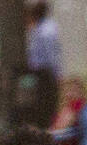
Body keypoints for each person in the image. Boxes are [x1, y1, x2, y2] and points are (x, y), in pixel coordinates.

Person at [24, 2, 61, 131]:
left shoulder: (45, 31)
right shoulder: (40, 29)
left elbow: (51, 56)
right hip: (41, 74)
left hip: (44, 74)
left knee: (45, 108)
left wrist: (56, 75)